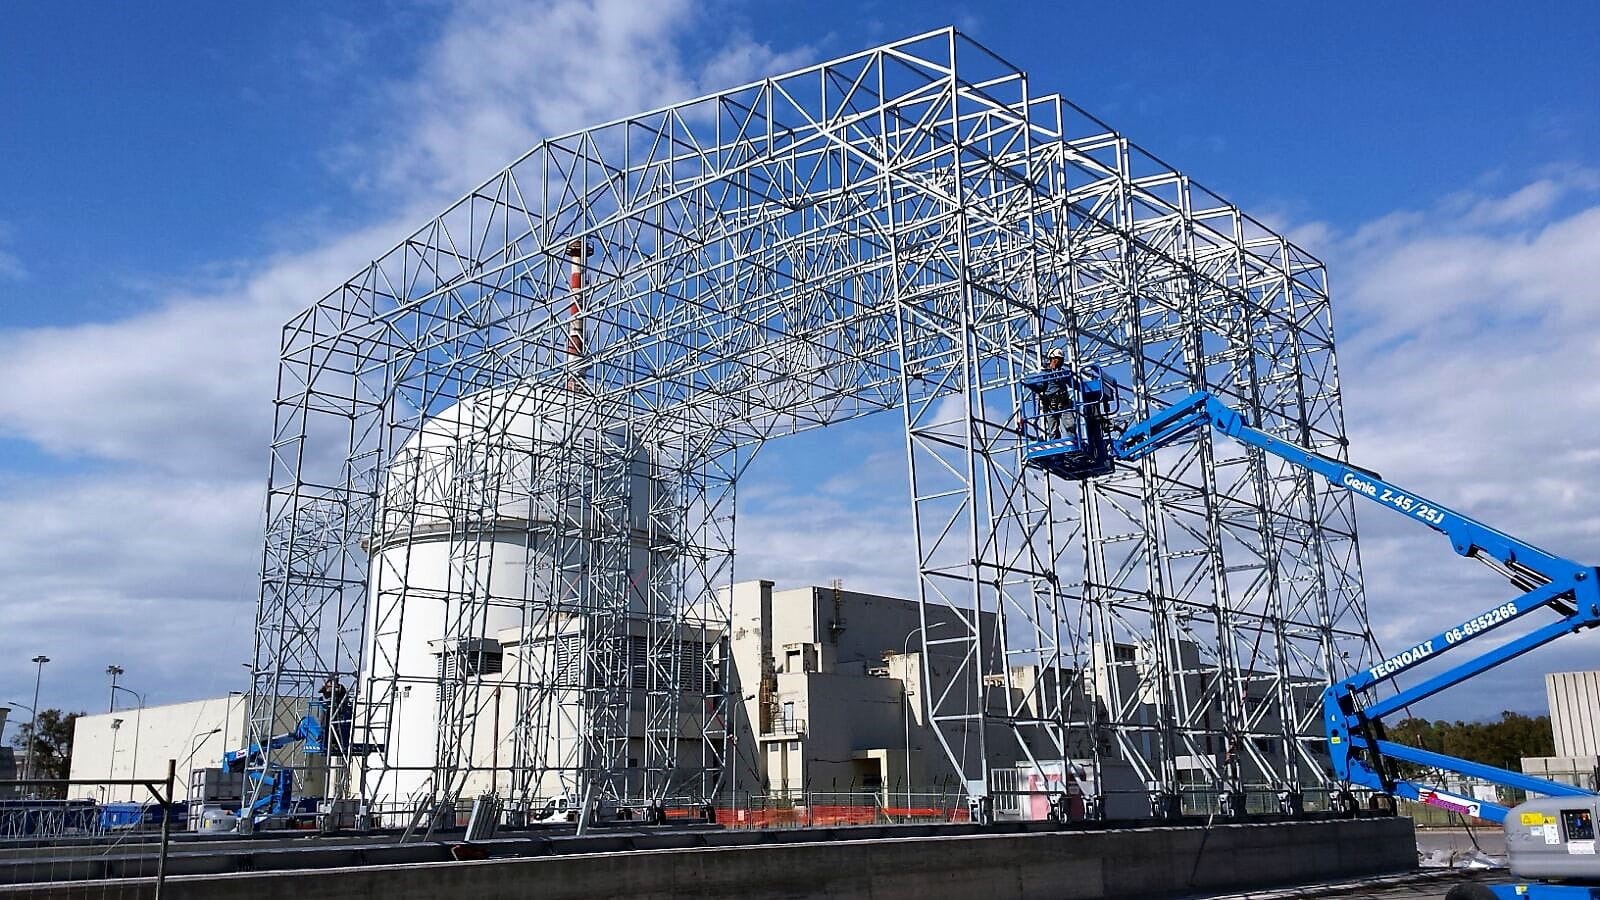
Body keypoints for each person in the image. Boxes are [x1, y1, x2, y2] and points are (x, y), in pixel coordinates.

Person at [1038, 348, 1077, 440]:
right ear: (1051, 359)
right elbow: (1039, 386)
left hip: (1064, 403)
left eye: (1060, 359)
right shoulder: (1045, 373)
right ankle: (1055, 445)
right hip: (1050, 405)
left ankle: (1073, 442)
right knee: (1053, 430)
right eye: (1056, 359)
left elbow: (1074, 384)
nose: (1058, 361)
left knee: (1070, 426)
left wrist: (1072, 376)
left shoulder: (1063, 373)